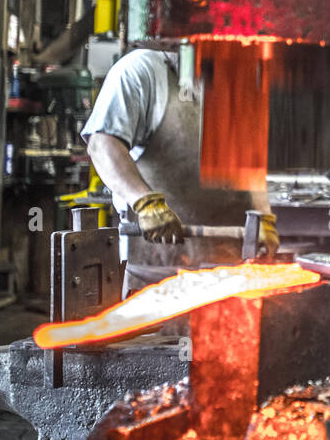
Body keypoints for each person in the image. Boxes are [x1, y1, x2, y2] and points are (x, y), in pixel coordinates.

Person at [82, 47, 277, 294]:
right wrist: (145, 202)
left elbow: (248, 165)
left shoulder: (236, 83)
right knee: (159, 334)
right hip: (155, 269)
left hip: (229, 270)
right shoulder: (140, 71)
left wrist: (264, 217)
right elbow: (102, 145)